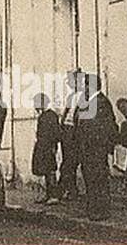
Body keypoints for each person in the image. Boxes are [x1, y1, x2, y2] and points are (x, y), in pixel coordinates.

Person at [78, 73, 118, 220]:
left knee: (99, 180)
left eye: (86, 85)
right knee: (90, 179)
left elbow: (107, 128)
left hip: (96, 149)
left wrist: (103, 147)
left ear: (92, 86)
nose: (84, 88)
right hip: (88, 149)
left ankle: (101, 211)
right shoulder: (90, 102)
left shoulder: (101, 102)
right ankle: (92, 209)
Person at [54, 69, 85, 203]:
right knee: (68, 163)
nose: (69, 83)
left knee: (69, 164)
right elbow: (66, 114)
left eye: (71, 80)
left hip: (75, 133)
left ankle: (63, 191)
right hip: (66, 133)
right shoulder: (71, 96)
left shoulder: (85, 96)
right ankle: (70, 191)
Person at [31, 92, 61, 204]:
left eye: (36, 103)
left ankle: (54, 196)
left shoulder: (51, 115)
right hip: (42, 146)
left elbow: (56, 133)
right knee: (45, 170)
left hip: (48, 146)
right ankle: (48, 195)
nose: (35, 106)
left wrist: (53, 146)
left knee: (50, 171)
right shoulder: (43, 115)